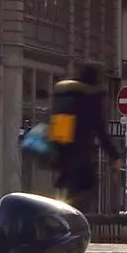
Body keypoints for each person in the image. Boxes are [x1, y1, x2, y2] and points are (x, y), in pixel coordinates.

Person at [41, 69, 115, 211]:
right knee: (86, 186)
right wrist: (114, 156)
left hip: (60, 151)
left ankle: (57, 211)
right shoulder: (91, 98)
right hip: (79, 154)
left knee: (64, 183)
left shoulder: (64, 94)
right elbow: (100, 130)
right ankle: (75, 220)